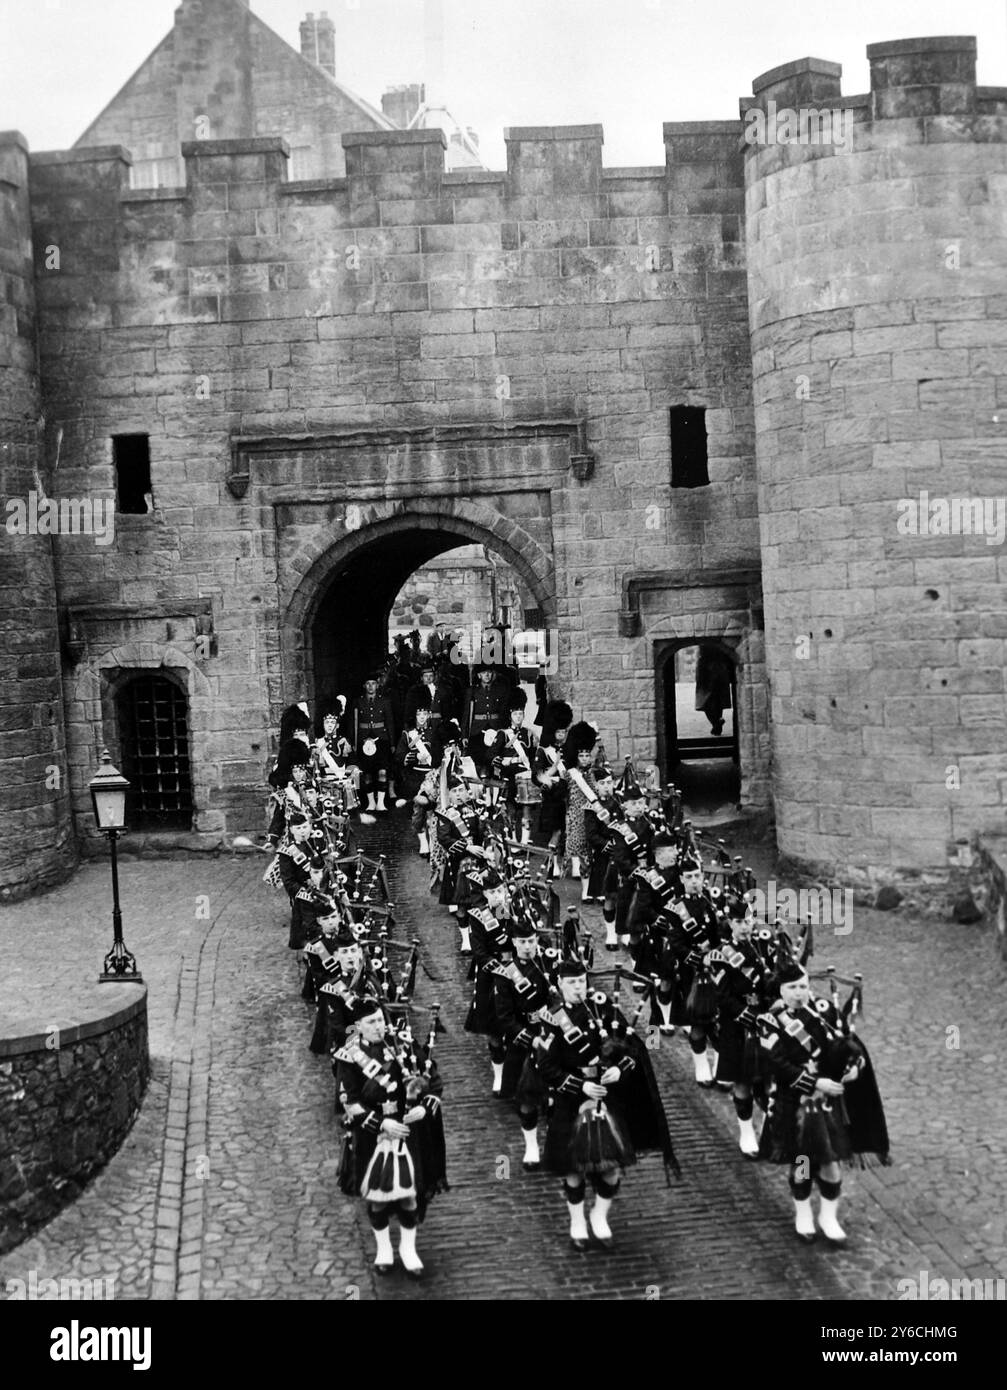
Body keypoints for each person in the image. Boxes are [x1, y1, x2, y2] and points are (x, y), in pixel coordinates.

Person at [537, 960, 679, 1248]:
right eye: (573, 982)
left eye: (582, 981)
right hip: (572, 1101)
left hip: (607, 1097)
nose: (579, 987)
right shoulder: (552, 1017)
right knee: (573, 1169)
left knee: (611, 1166)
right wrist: (580, 1085)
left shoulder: (604, 1007)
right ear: (560, 984)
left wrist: (620, 1070)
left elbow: (632, 1049)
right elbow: (545, 1066)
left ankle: (599, 1215)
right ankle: (577, 1222)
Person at [757, 961, 890, 1244]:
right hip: (793, 1100)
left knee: (831, 1161)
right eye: (792, 988)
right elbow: (777, 1063)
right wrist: (814, 1082)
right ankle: (803, 1212)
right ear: (780, 990)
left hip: (828, 1102)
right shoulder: (769, 1021)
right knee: (803, 1160)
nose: (798, 993)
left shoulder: (824, 1011)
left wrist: (855, 1065)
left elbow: (848, 1044)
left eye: (803, 986)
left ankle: (828, 1217)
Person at [335, 999, 447, 1277]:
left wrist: (423, 1107)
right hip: (374, 1135)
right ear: (358, 1026)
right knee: (378, 1197)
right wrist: (381, 1123)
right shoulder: (349, 1056)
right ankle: (384, 1250)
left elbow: (433, 1080)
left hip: (409, 1130)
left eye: (380, 1019)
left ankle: (409, 1251)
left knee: (410, 1193)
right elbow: (349, 1099)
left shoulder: (404, 1045)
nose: (378, 1026)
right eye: (371, 1022)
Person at [707, 898, 774, 1156]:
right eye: (739, 922)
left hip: (765, 1020)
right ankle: (746, 1133)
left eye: (748, 921)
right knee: (742, 1081)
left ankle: (770, 1131)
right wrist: (744, 1013)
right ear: (730, 924)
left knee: (768, 1079)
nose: (744, 927)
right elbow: (721, 995)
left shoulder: (763, 947)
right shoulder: (722, 953)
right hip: (737, 1024)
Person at [490, 919, 553, 1169]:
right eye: (523, 942)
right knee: (526, 1097)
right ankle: (531, 1146)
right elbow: (504, 1017)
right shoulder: (506, 974)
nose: (528, 946)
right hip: (523, 1037)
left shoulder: (548, 965)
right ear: (514, 943)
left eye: (532, 941)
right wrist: (530, 1038)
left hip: (551, 1035)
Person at [667, 855, 727, 1085]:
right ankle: (702, 1066)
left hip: (714, 969)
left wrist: (717, 954)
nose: (694, 881)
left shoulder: (710, 903)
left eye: (697, 876)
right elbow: (676, 942)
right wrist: (698, 959)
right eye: (689, 877)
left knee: (720, 1021)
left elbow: (719, 936)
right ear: (682, 879)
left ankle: (722, 1066)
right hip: (692, 972)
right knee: (698, 1021)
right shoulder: (676, 907)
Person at [492, 697, 540, 844]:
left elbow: (534, 756)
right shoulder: (503, 734)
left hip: (524, 773)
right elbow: (492, 753)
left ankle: (525, 841)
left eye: (520, 714)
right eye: (515, 714)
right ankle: (512, 841)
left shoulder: (529, 734)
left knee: (527, 808)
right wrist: (501, 761)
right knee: (510, 809)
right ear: (510, 716)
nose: (518, 717)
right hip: (508, 775)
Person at [562, 721, 603, 887]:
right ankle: (584, 883)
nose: (585, 759)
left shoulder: (594, 773)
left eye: (587, 755)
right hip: (577, 813)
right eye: (581, 756)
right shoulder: (570, 774)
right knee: (578, 844)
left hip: (594, 812)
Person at [534, 700, 572, 874]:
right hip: (554, 794)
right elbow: (538, 775)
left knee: (570, 828)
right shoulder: (544, 751)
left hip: (570, 791)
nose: (561, 735)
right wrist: (553, 770)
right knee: (556, 829)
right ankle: (553, 863)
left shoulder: (569, 749)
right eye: (558, 732)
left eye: (564, 731)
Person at [353, 674, 395, 813]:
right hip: (363, 739)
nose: (371, 686)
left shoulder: (385, 701)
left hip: (382, 739)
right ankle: (371, 803)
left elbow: (390, 722)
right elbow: (353, 723)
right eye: (368, 683)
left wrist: (392, 742)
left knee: (382, 771)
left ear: (378, 686)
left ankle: (381, 803)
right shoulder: (358, 702)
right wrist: (354, 741)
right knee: (367, 773)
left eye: (373, 683)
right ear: (364, 686)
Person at [394, 704, 438, 838]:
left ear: (429, 715)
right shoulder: (408, 734)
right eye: (419, 714)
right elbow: (399, 755)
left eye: (425, 714)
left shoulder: (435, 732)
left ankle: (431, 838)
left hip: (432, 775)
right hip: (414, 776)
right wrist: (414, 757)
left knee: (432, 808)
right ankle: (422, 840)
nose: (422, 717)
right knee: (417, 811)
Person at [463, 666, 507, 772]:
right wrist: (464, 735)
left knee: (494, 759)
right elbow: (467, 713)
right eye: (483, 673)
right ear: (479, 675)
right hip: (477, 729)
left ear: (493, 674)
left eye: (489, 672)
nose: (487, 675)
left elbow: (503, 712)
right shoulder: (472, 691)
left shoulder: (499, 690)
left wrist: (505, 730)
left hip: (495, 728)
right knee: (477, 760)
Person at [695, 646, 733, 737]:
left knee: (707, 701)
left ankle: (716, 723)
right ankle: (717, 722)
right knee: (713, 701)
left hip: (710, 671)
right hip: (716, 669)